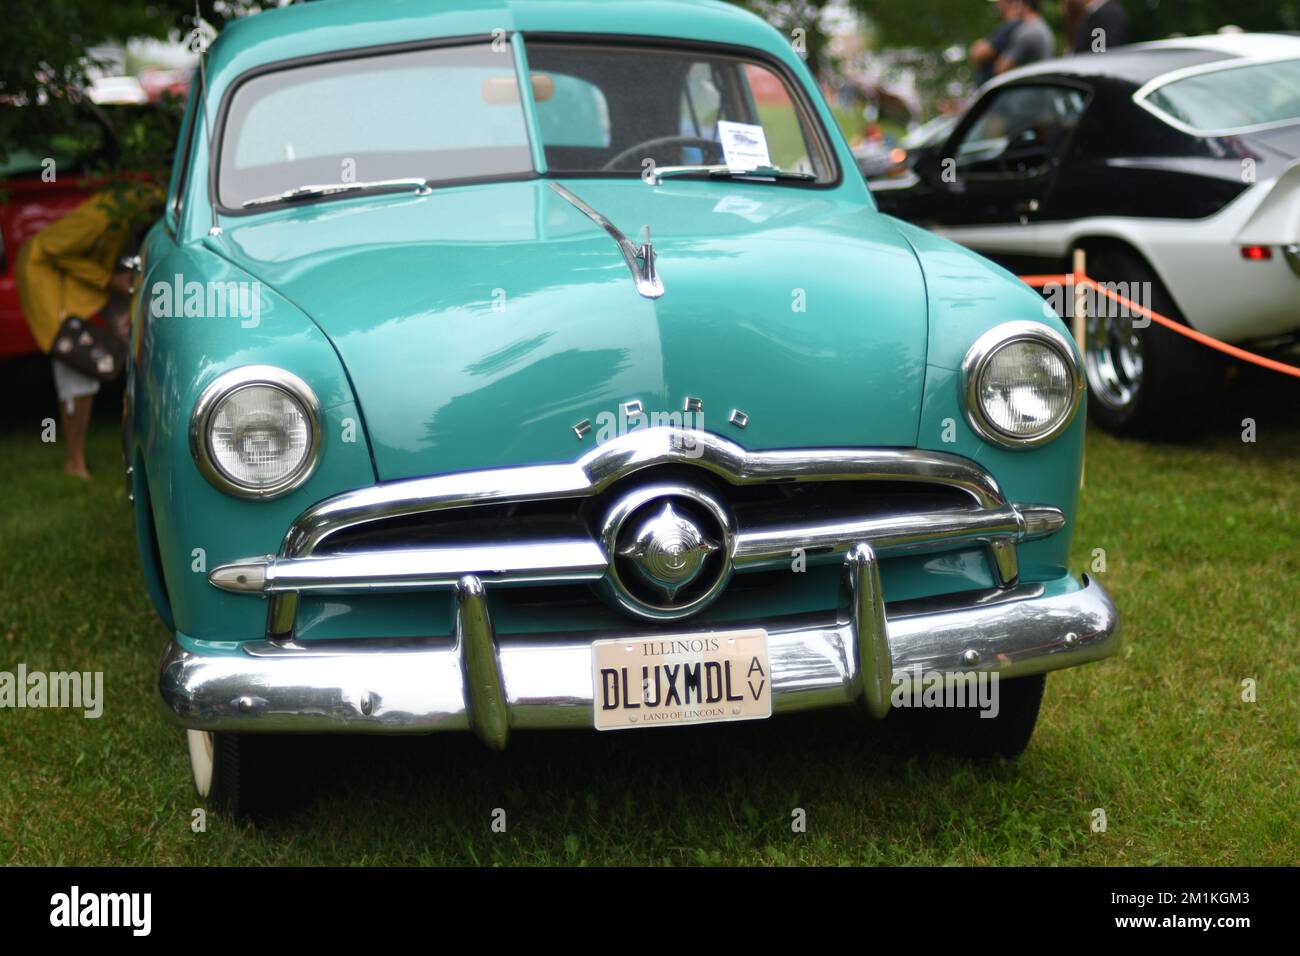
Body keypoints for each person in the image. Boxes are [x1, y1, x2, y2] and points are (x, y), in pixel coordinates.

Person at [15, 185, 158, 479]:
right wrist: (107, 280)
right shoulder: (106, 215)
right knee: (78, 364)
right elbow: (49, 248)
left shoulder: (134, 211)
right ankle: (74, 462)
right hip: (47, 279)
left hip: (75, 280)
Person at [994, 0, 1057, 76]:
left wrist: (1009, 23)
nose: (1013, 6)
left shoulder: (1027, 32)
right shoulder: (1043, 27)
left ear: (1021, 3)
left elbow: (1001, 69)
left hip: (1028, 85)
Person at [970, 0, 1021, 87]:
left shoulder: (1012, 25)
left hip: (995, 90)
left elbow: (979, 54)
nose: (996, 3)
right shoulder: (1012, 25)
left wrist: (979, 46)